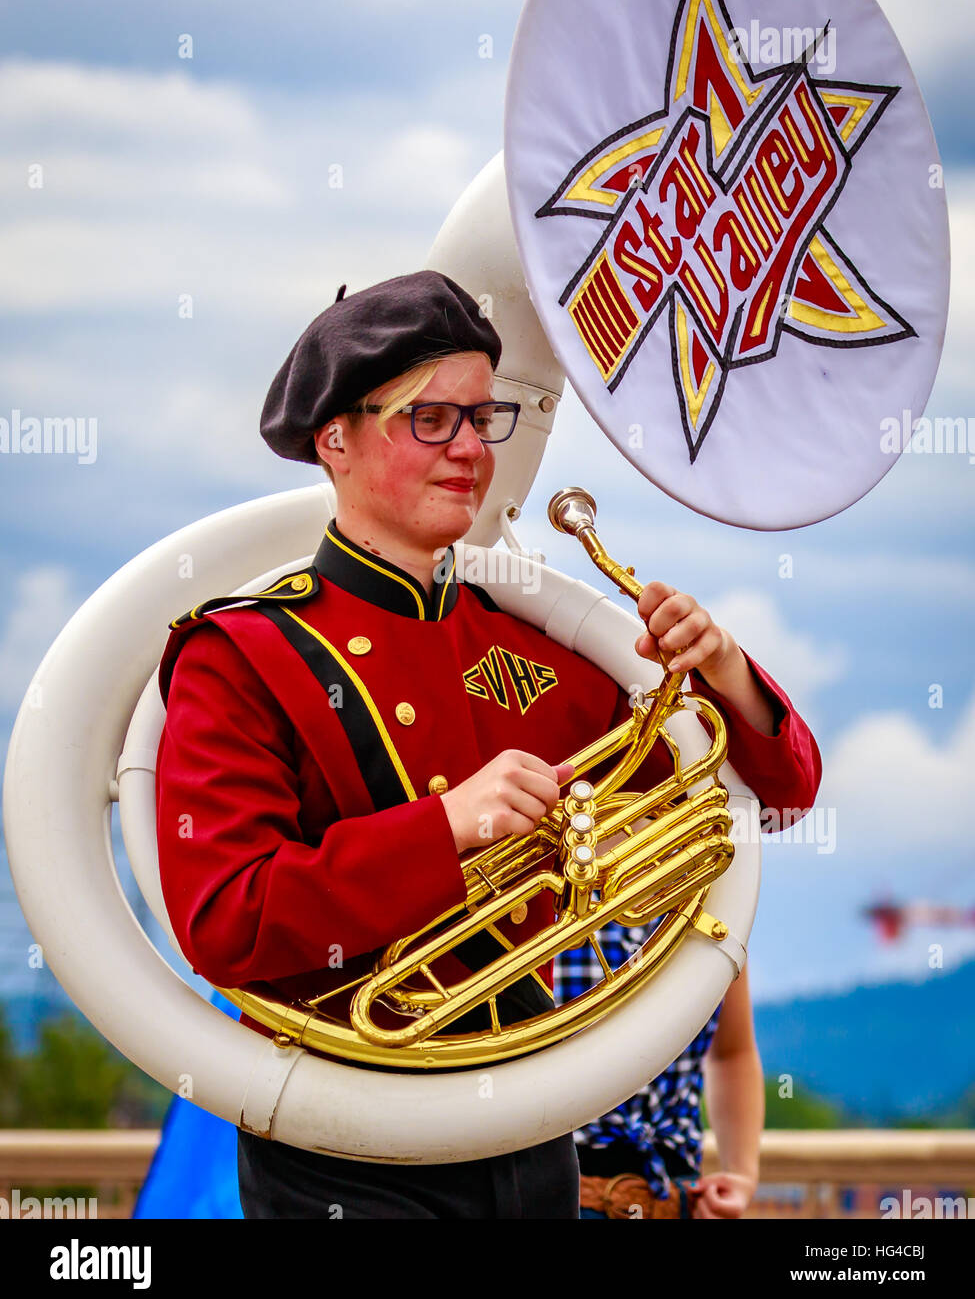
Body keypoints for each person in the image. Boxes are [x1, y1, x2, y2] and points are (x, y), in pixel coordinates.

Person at [155, 269, 821, 1219]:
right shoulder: (246, 655)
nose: (471, 449)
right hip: (346, 1152)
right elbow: (224, 921)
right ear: (335, 438)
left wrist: (723, 674)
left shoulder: (531, 642)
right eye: (432, 419)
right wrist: (442, 828)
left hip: (529, 1132)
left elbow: (776, 797)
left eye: (483, 418)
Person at [555, 933, 762, 1219]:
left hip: (681, 1199)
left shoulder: (718, 899)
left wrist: (741, 1174)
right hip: (552, 1194)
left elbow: (731, 1053)